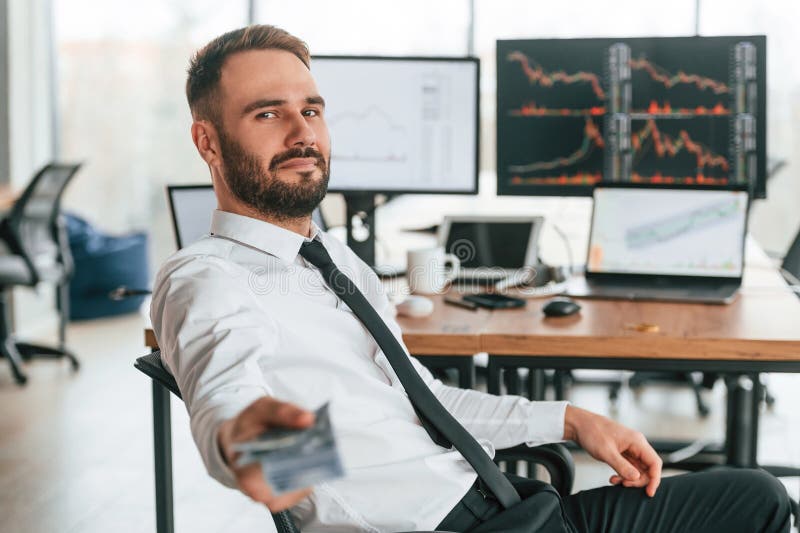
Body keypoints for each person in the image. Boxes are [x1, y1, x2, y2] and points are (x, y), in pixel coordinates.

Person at [150, 24, 792, 532]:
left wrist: (571, 420)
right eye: (267, 114)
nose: (302, 134)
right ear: (208, 143)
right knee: (758, 506)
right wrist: (249, 444)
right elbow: (224, 397)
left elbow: (426, 400)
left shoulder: (333, 258)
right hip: (448, 523)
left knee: (757, 494)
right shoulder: (207, 278)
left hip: (509, 504)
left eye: (311, 110)